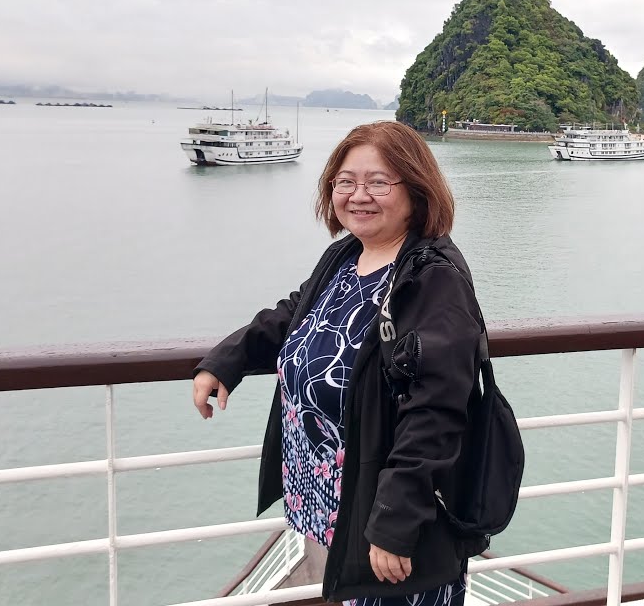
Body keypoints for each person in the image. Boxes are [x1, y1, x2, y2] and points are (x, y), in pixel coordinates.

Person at [192, 121, 487, 605]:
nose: (358, 195)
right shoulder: (345, 256)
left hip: (384, 518)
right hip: (326, 504)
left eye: (378, 182)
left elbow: (437, 407)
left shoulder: (433, 279)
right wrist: (230, 358)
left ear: (416, 188)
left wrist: (396, 519)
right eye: (345, 181)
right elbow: (297, 312)